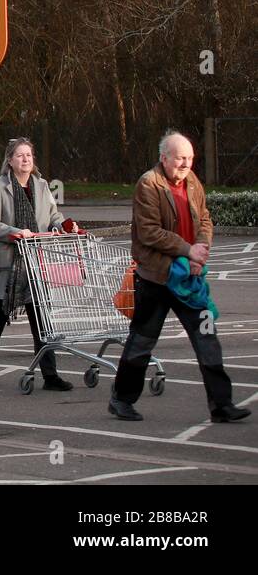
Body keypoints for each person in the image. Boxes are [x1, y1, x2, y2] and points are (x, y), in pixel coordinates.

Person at [109, 131, 249, 423]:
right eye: (179, 158)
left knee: (207, 337)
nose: (185, 164)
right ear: (164, 158)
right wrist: (188, 250)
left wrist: (202, 251)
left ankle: (221, 405)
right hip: (155, 278)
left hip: (189, 279)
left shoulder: (193, 182)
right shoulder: (149, 184)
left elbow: (205, 219)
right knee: (142, 342)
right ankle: (121, 400)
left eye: (189, 158)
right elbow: (149, 232)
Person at [0, 137, 76, 391]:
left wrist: (64, 226)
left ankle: (50, 375)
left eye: (29, 156)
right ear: (10, 160)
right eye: (20, 155)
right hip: (8, 264)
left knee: (42, 319)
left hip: (35, 261)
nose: (25, 159)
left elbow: (53, 215)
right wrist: (15, 231)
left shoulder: (42, 186)